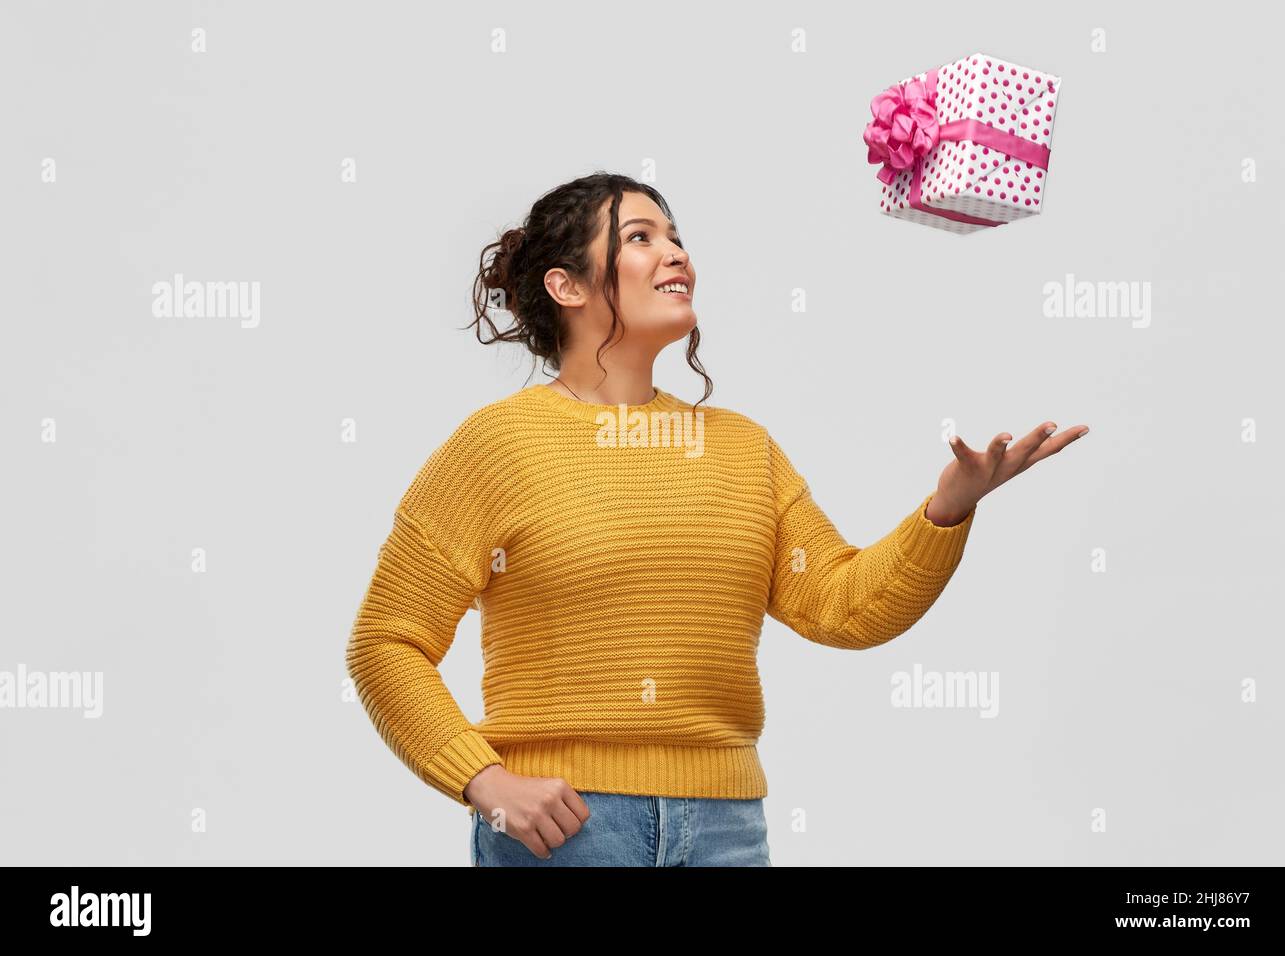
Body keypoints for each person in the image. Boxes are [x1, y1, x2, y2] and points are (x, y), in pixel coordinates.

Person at [345, 172, 1089, 867]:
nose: (675, 254)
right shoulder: (496, 445)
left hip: (727, 829)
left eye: (675, 236)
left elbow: (843, 605)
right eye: (639, 237)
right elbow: (385, 642)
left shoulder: (741, 448)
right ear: (565, 285)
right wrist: (482, 780)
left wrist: (946, 510)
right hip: (563, 833)